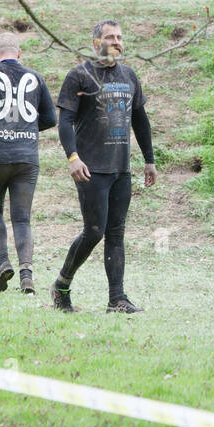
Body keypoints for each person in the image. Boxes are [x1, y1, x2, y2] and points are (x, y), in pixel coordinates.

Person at [52, 19, 156, 314]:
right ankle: (61, 286)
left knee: (116, 232)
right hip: (90, 168)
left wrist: (149, 160)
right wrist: (73, 157)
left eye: (120, 36)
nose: (117, 41)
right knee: (94, 230)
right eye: (110, 37)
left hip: (121, 168)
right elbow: (65, 122)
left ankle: (117, 299)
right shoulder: (80, 75)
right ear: (96, 42)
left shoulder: (129, 75)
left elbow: (140, 120)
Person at [0, 33, 57, 294]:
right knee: (22, 219)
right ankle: (26, 275)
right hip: (26, 158)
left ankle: (2, 263)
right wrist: (24, 129)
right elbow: (50, 118)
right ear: (19, 54)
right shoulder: (36, 78)